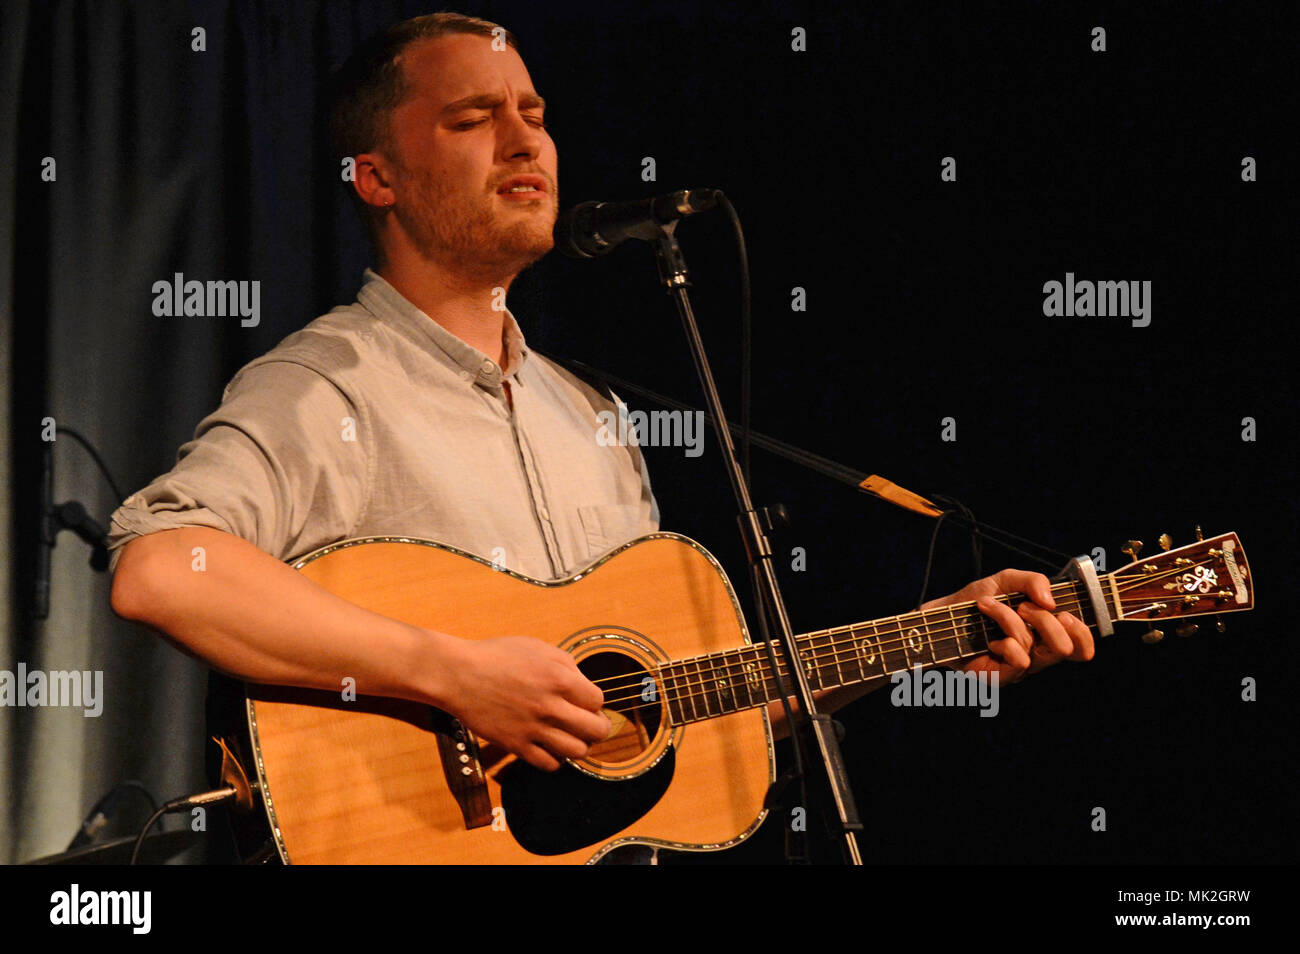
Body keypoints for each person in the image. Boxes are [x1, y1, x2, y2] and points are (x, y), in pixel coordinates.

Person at [108, 11, 1093, 826]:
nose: (525, 137)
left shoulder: (591, 414)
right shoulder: (329, 386)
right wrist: (451, 673)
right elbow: (158, 567)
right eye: (472, 118)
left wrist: (917, 640)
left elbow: (659, 709)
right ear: (376, 177)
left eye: (533, 112)